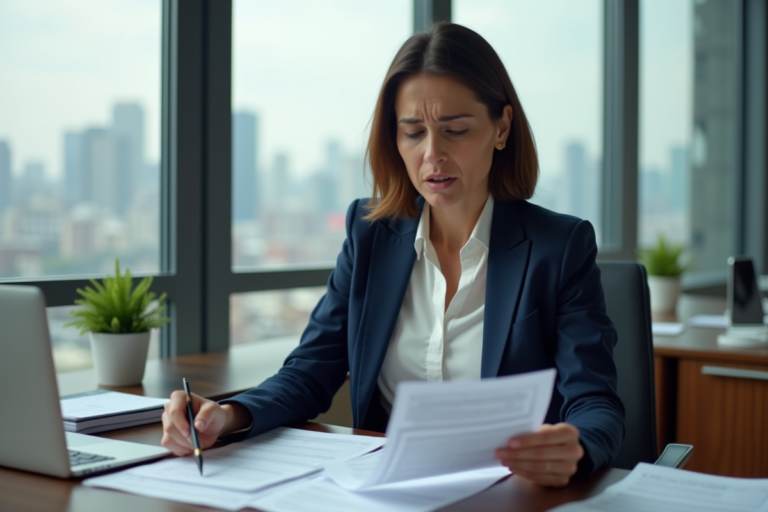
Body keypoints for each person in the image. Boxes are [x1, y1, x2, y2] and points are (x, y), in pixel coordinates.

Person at [162, 22, 625, 488]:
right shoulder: (370, 235)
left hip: (509, 491)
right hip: (385, 491)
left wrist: (577, 447)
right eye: (413, 133)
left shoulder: (558, 247)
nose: (432, 155)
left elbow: (595, 402)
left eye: (456, 130)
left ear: (501, 127)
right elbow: (309, 372)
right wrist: (226, 415)